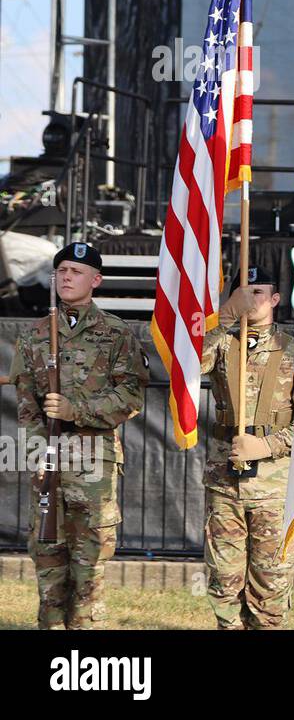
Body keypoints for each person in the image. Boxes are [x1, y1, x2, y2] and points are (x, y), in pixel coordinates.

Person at [9, 242, 147, 628]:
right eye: (62, 271)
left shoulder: (116, 334)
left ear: (96, 280)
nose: (67, 277)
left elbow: (130, 396)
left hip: (93, 467)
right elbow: (26, 402)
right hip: (48, 467)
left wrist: (77, 411)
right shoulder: (35, 335)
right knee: (49, 569)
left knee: (89, 573)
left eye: (77, 272)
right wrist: (37, 453)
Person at [198, 264, 294, 629]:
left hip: (274, 483)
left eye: (259, 292)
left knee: (270, 579)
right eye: (244, 290)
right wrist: (226, 313)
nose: (250, 298)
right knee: (224, 576)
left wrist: (267, 445)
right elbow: (189, 365)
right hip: (225, 477)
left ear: (275, 299)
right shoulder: (223, 341)